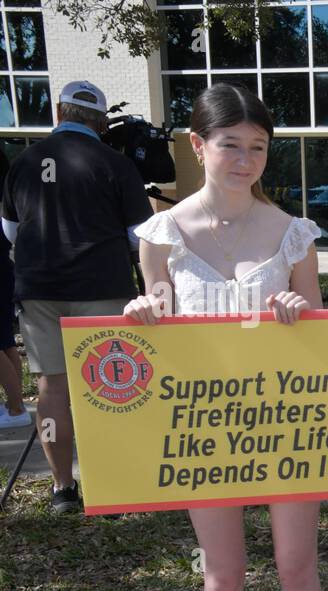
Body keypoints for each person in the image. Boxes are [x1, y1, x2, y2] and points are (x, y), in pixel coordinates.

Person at [123, 83, 325, 591]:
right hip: (201, 428)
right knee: (224, 573)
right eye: (231, 145)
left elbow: (321, 344)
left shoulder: (294, 233)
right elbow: (155, 320)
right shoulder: (162, 235)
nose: (245, 160)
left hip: (286, 423)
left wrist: (299, 311)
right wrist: (143, 317)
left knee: (296, 565)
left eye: (259, 147)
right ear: (197, 145)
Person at [0, 81, 154, 503]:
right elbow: (141, 238)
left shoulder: (23, 162)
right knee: (109, 387)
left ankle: (62, 488)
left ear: (58, 113)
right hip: (102, 287)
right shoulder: (115, 164)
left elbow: (9, 231)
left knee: (53, 385)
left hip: (39, 290)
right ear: (101, 122)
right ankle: (111, 488)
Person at [0, 148, 29, 430]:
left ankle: (17, 406)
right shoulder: (8, 181)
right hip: (5, 267)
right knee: (5, 341)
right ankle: (14, 403)